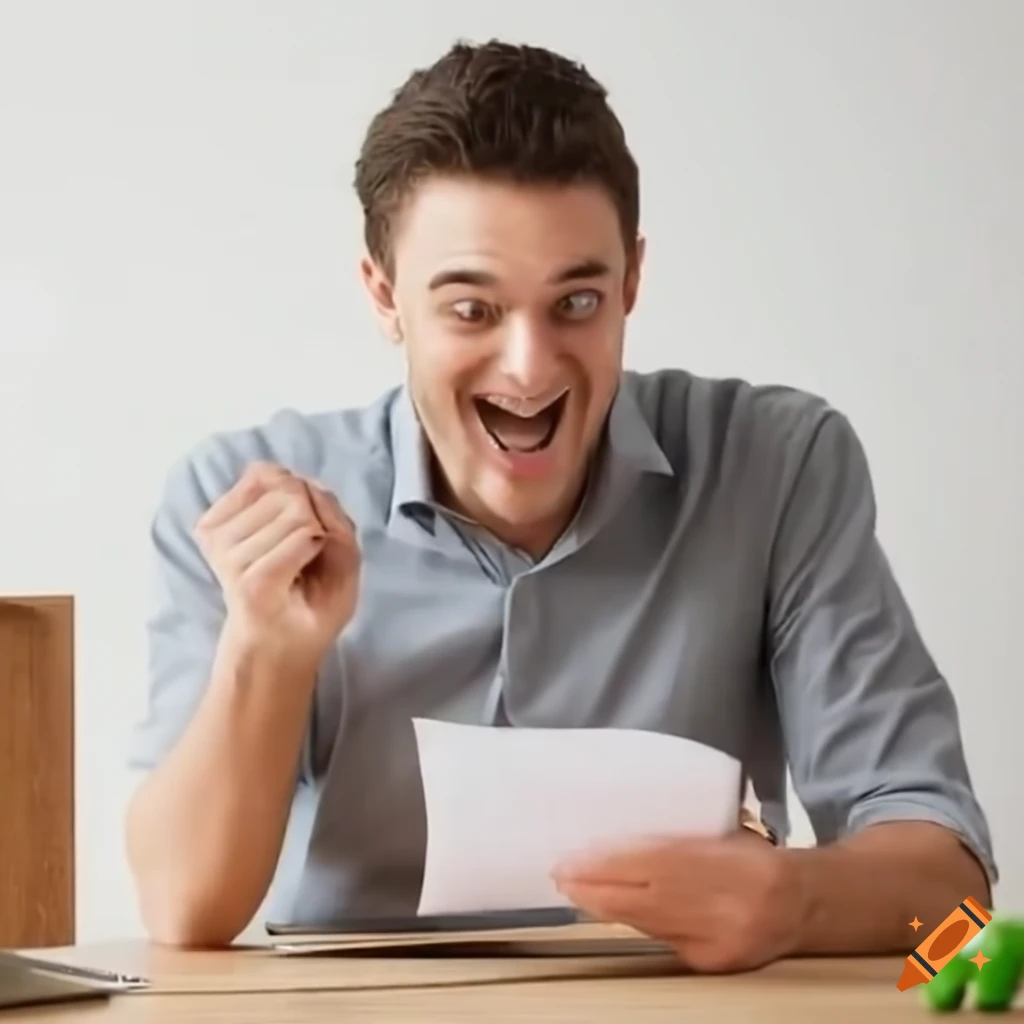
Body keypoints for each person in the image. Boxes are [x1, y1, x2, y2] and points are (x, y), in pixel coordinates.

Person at [125, 38, 996, 969]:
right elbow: (186, 912)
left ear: (631, 282)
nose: (530, 367)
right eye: (472, 309)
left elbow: (951, 887)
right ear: (385, 298)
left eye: (576, 301)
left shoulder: (777, 466)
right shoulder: (245, 499)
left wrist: (792, 903)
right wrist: (268, 649)